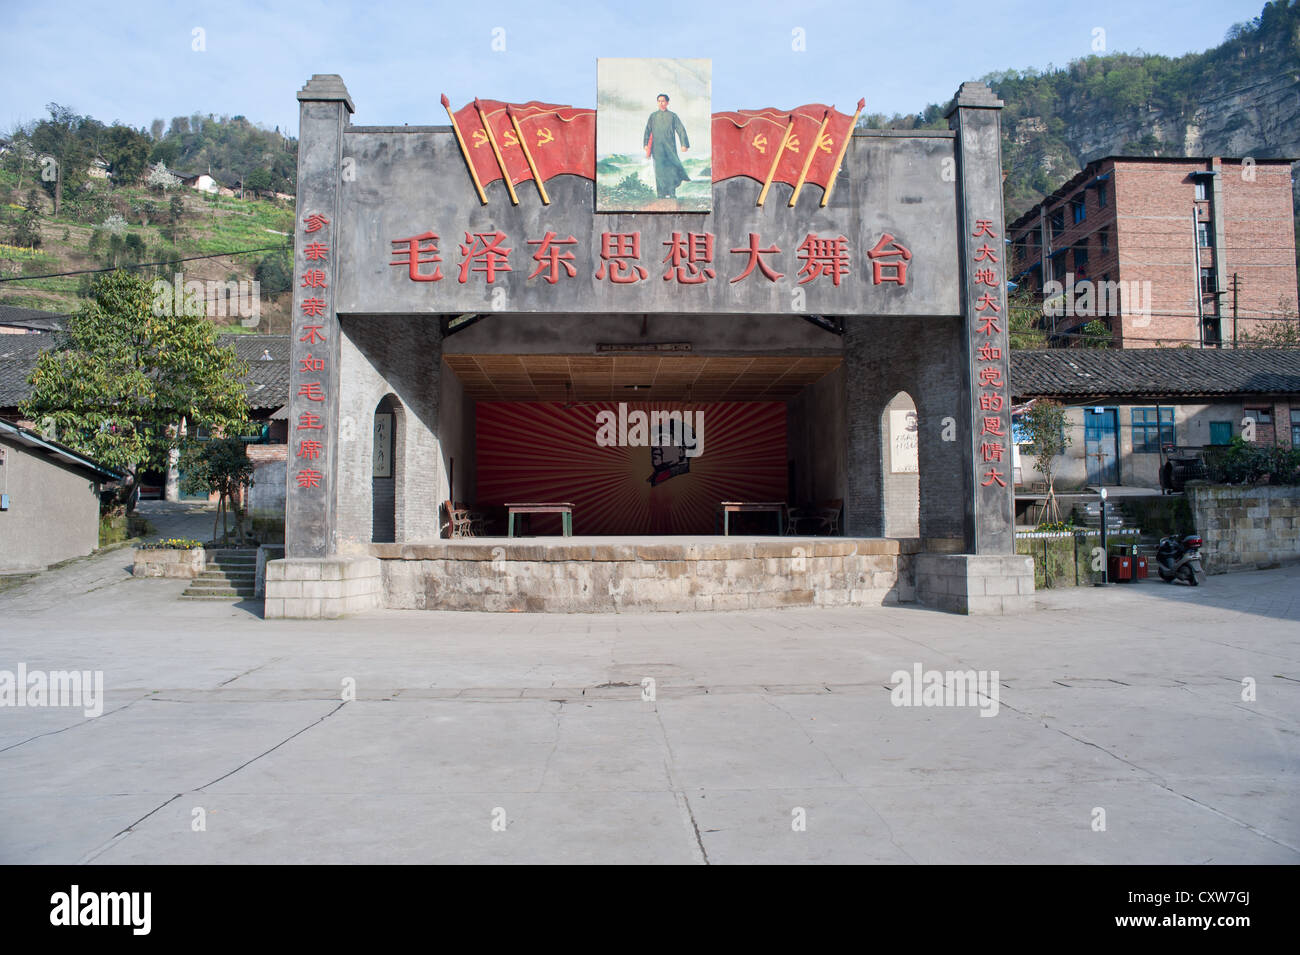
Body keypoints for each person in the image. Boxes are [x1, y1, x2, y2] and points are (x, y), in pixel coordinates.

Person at [643, 93, 690, 199]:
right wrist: (646, 144)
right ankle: (661, 194)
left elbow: (681, 129)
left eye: (663, 101)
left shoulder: (673, 116)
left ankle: (672, 193)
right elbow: (647, 130)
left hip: (670, 147)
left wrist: (684, 144)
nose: (661, 103)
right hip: (657, 148)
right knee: (659, 171)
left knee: (671, 170)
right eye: (659, 101)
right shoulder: (653, 116)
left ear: (667, 103)